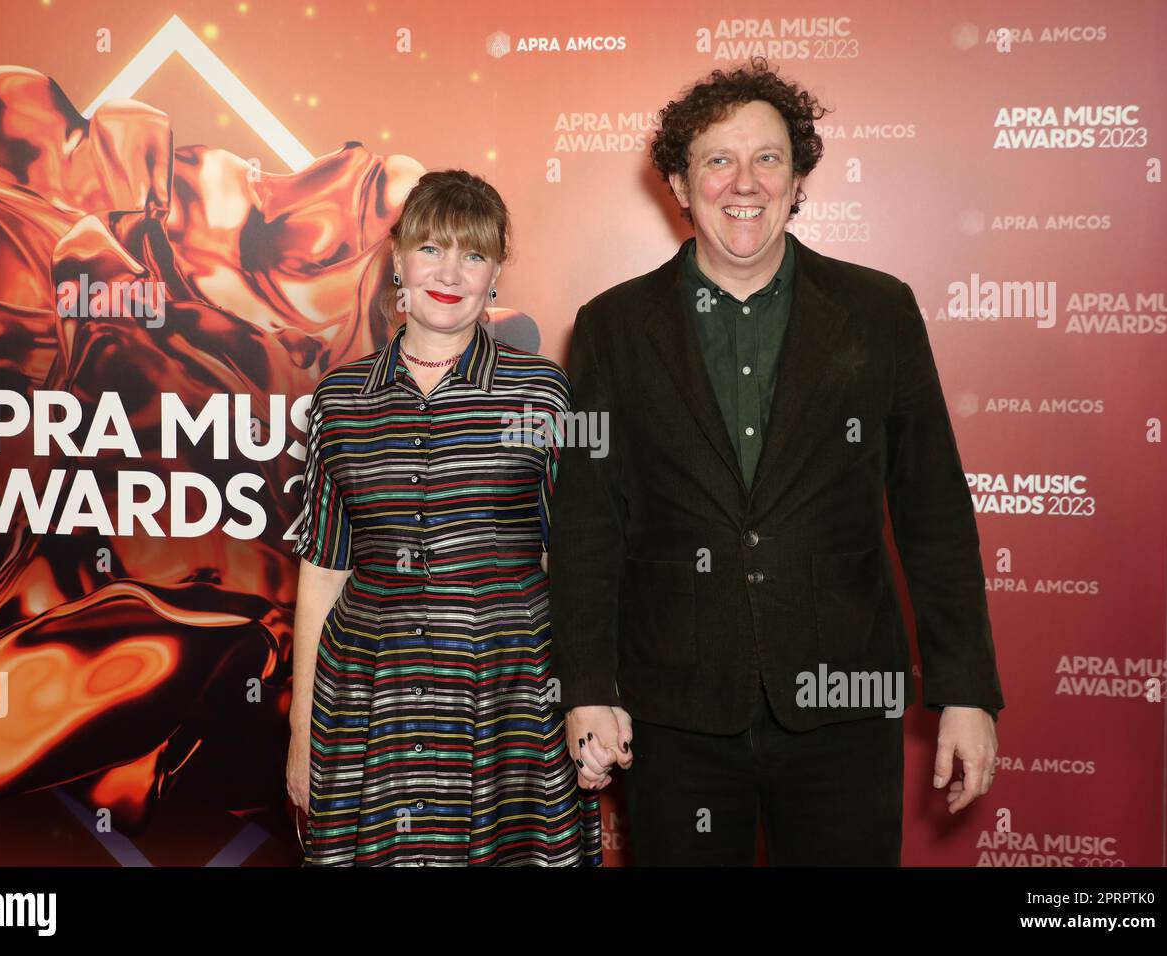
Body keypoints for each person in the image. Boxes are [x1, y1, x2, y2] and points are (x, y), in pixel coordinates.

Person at [547, 58, 1004, 866]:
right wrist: (588, 688)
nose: (744, 182)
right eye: (718, 160)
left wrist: (965, 690)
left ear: (798, 180)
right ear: (680, 185)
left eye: (768, 159)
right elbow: (588, 522)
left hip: (844, 709)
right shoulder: (613, 327)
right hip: (673, 712)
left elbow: (932, 509)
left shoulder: (878, 310)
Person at [286, 169, 602, 866]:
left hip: (510, 700)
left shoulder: (542, 392)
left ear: (496, 272)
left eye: (474, 254)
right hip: (368, 702)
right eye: (431, 249)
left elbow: (577, 563)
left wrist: (590, 698)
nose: (450, 272)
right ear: (397, 259)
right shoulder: (341, 400)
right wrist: (301, 727)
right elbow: (322, 571)